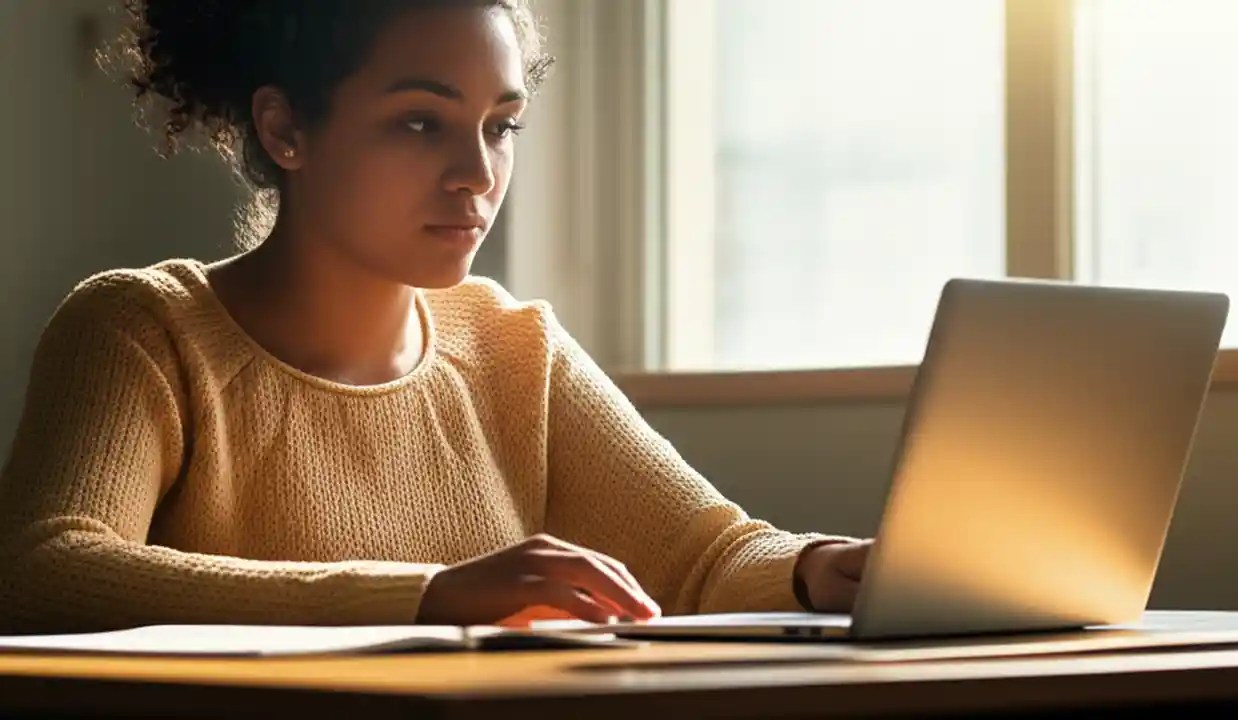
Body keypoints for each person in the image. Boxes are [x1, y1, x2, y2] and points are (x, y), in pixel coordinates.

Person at [0, 0, 872, 634]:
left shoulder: (511, 347)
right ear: (284, 129)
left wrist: (818, 570)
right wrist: (425, 594)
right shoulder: (141, 330)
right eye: (421, 123)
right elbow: (45, 571)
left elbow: (705, 560)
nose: (477, 173)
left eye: (501, 126)